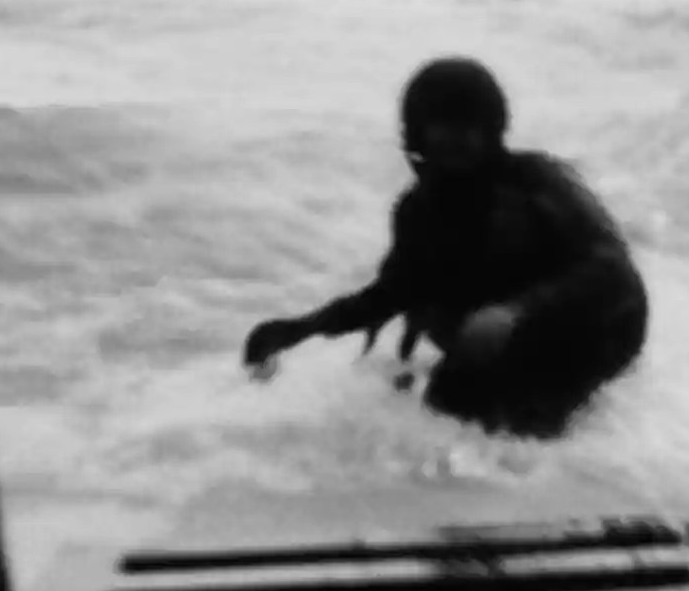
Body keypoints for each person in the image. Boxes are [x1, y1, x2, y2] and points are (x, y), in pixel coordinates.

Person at [243, 56, 648, 437]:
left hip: (596, 327)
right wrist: (300, 329)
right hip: (504, 342)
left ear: (494, 130)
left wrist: (516, 312)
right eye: (447, 127)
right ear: (419, 132)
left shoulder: (535, 184)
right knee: (442, 398)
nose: (463, 140)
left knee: (478, 398)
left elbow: (612, 269)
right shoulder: (418, 209)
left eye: (475, 127)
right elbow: (393, 293)